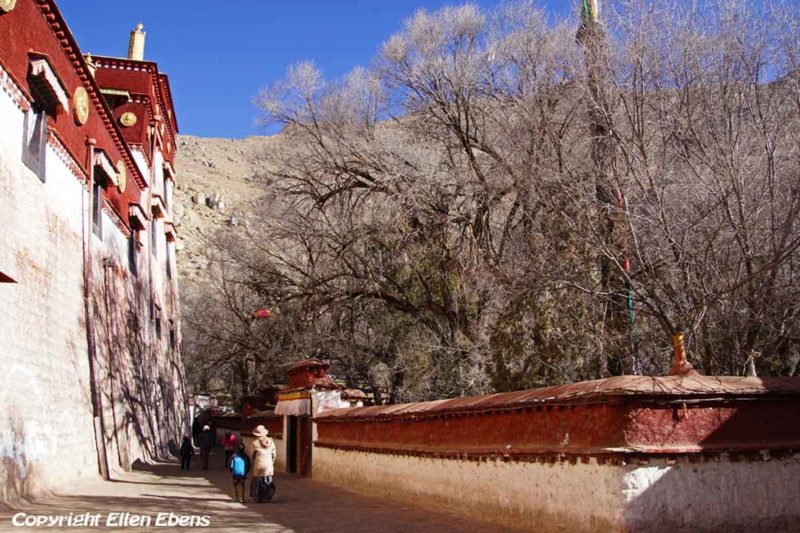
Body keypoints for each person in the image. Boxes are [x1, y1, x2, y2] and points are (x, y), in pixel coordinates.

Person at [250, 425, 277, 503]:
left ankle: (258, 497)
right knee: (268, 481)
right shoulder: (271, 442)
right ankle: (267, 497)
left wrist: (255, 461)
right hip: (268, 465)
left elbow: (252, 454)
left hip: (259, 464)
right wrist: (271, 463)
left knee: (257, 481)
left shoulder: (255, 443)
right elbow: (274, 455)